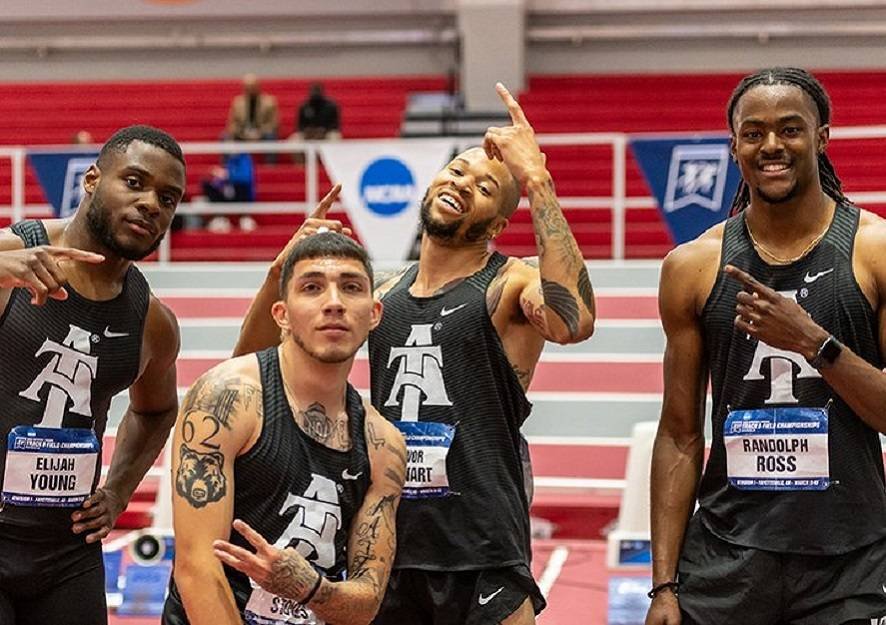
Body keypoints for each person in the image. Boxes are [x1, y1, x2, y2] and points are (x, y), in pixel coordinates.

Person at [234, 83, 596, 625]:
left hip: (484, 552)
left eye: (484, 187)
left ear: (497, 224)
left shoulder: (509, 284)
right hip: (387, 552)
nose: (462, 184)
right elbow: (253, 365)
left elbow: (574, 322)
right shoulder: (379, 294)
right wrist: (279, 276)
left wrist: (537, 181)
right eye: (456, 172)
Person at [647, 67, 886, 625]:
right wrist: (662, 585)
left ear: (822, 137)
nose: (771, 145)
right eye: (753, 133)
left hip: (849, 562)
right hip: (726, 560)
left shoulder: (874, 252)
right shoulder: (692, 266)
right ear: (734, 147)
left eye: (790, 129)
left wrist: (811, 341)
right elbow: (679, 434)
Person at [163, 232, 407, 625]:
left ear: (374, 313)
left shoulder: (384, 445)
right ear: (282, 314)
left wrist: (310, 588)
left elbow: (366, 602)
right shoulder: (227, 398)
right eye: (312, 288)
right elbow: (196, 569)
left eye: (351, 288)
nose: (333, 303)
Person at [0, 125, 186, 624]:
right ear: (91, 179)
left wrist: (120, 488)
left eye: (167, 198)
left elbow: (157, 411)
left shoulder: (152, 322)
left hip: (67, 550)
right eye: (134, 182)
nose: (151, 204)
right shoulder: (10, 256)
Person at [225, 73, 279, 144]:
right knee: (225, 137)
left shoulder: (269, 102)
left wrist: (259, 133)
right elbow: (232, 124)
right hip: (242, 133)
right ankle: (234, 155)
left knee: (270, 136)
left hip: (262, 134)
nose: (250, 90)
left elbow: (273, 124)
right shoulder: (237, 103)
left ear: (258, 87)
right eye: (247, 87)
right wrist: (242, 132)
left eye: (252, 87)